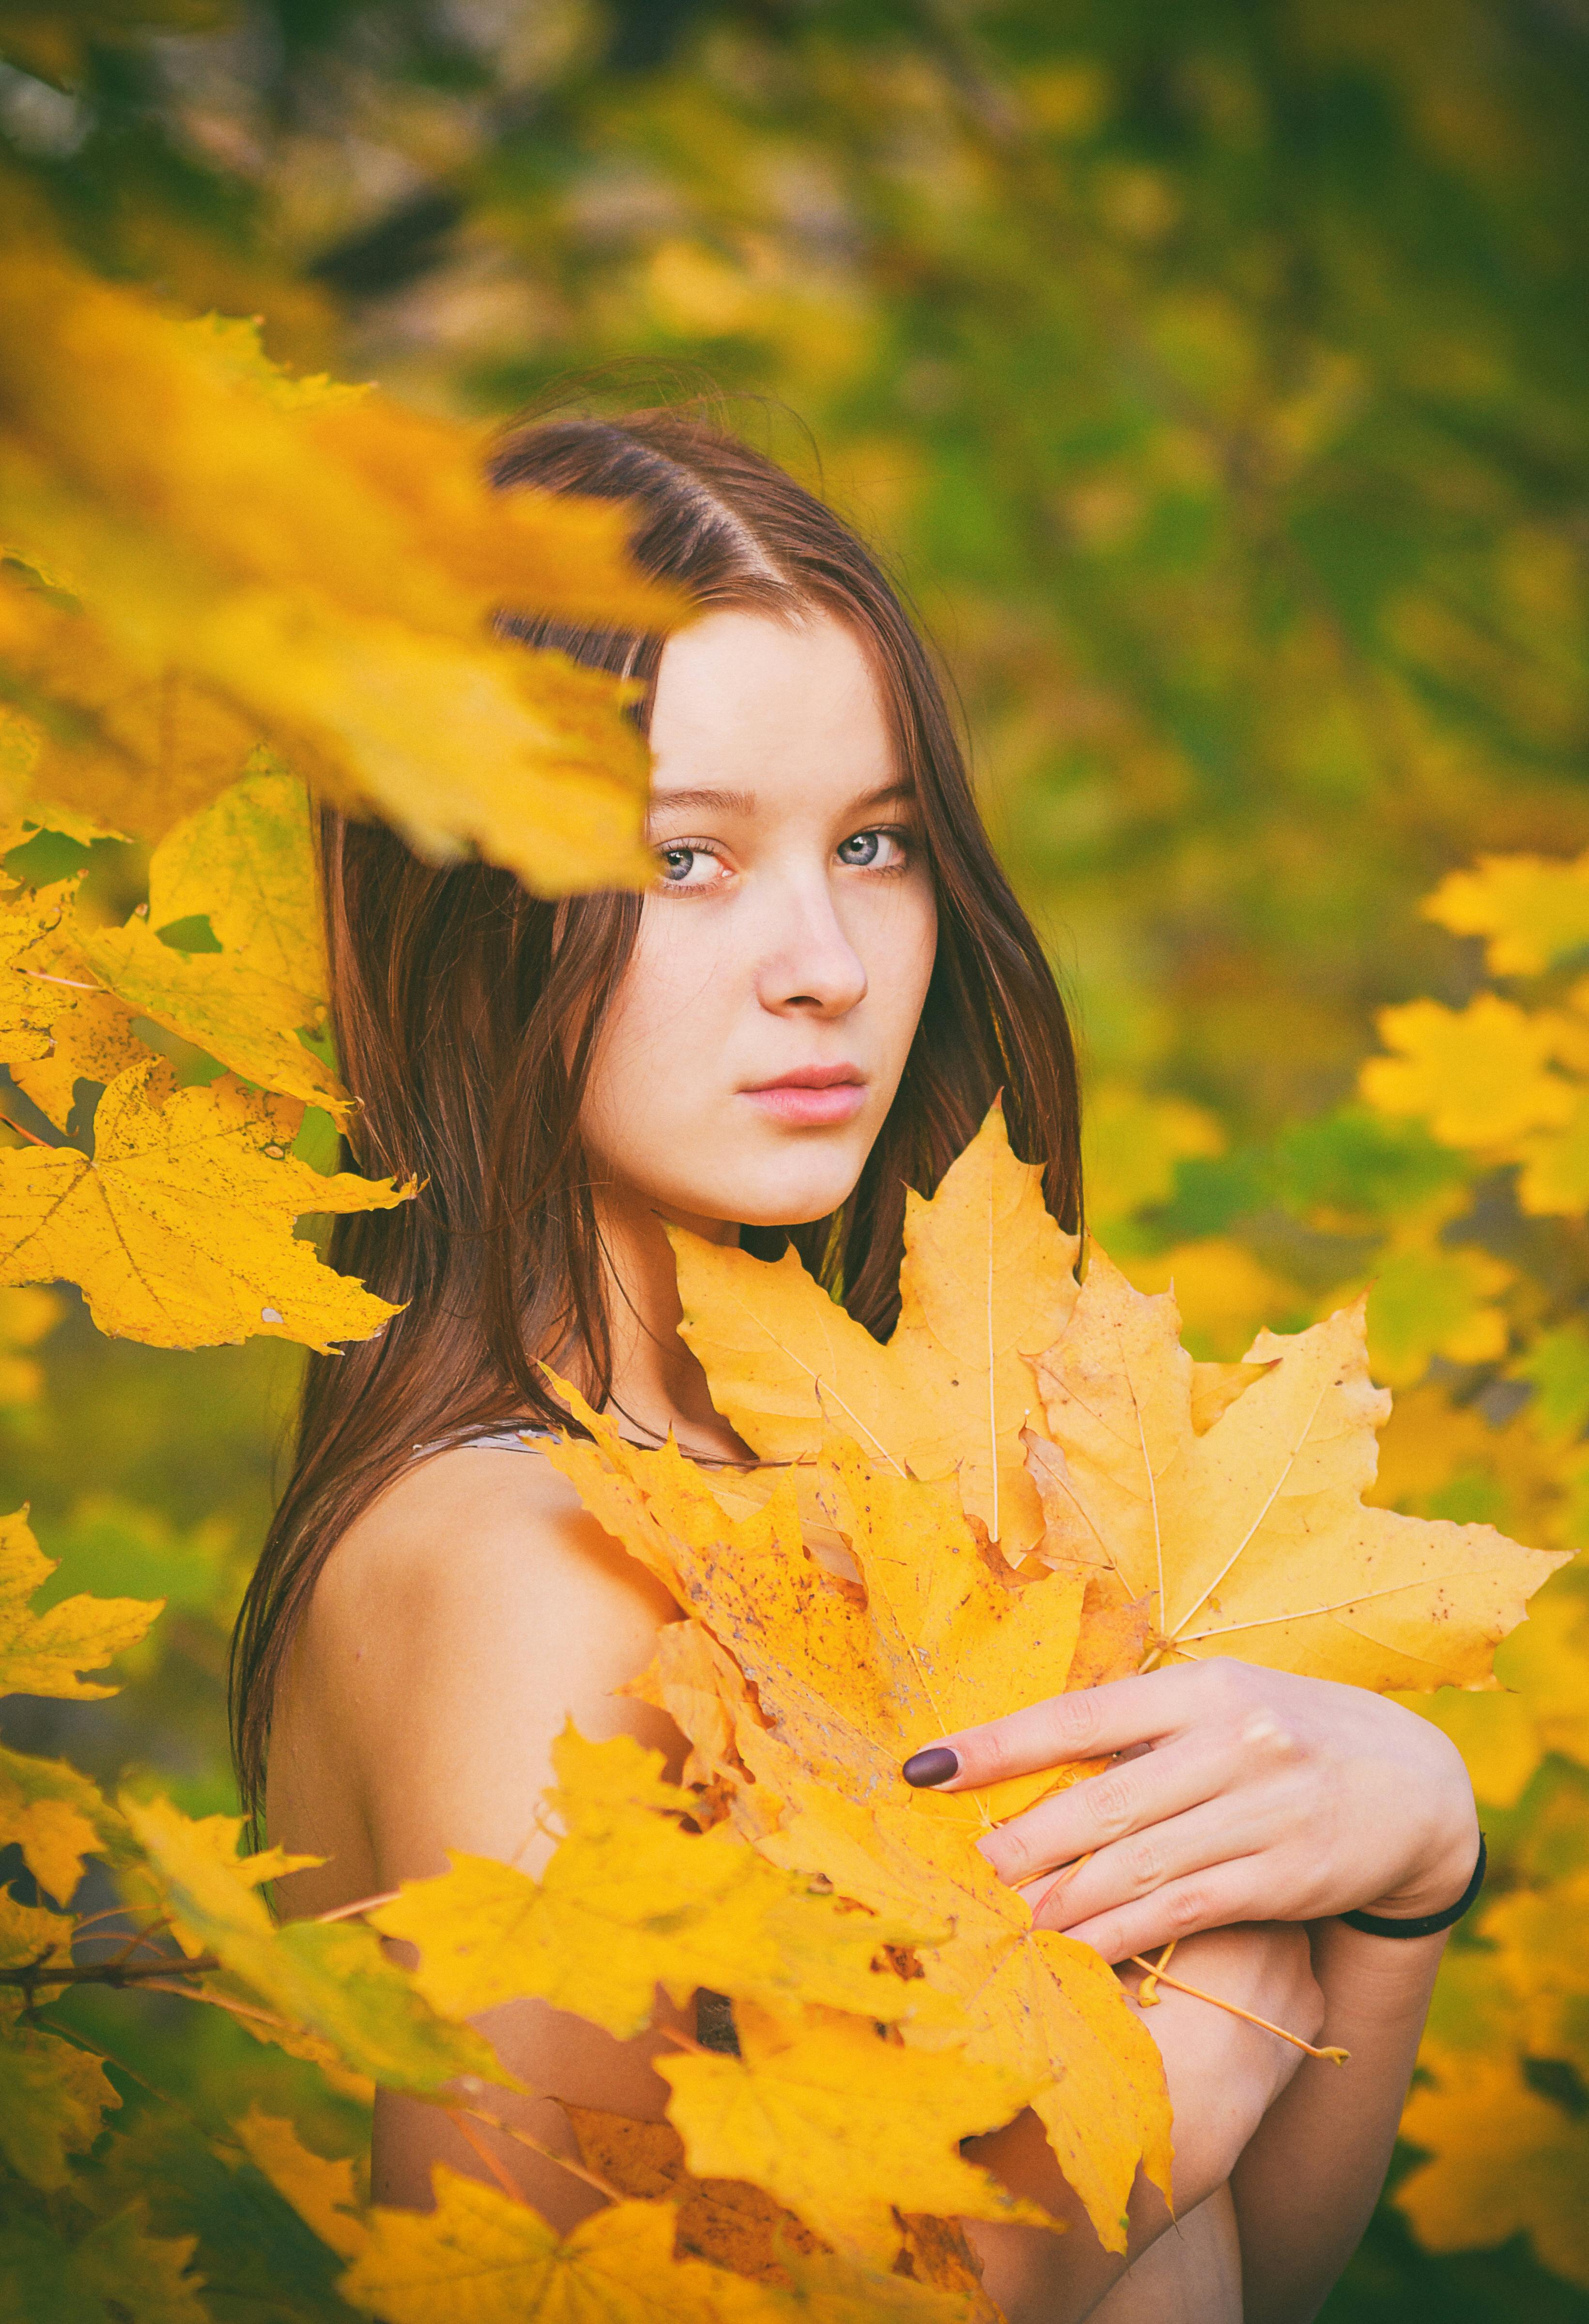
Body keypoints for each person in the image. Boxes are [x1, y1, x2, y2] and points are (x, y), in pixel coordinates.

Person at [237, 410, 1482, 2324]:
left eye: (873, 841)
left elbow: (1232, 2276)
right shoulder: (520, 1556)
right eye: (684, 858)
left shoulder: (882, 1507)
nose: (824, 960)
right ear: (460, 899)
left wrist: (1401, 1873)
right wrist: (1190, 2065)